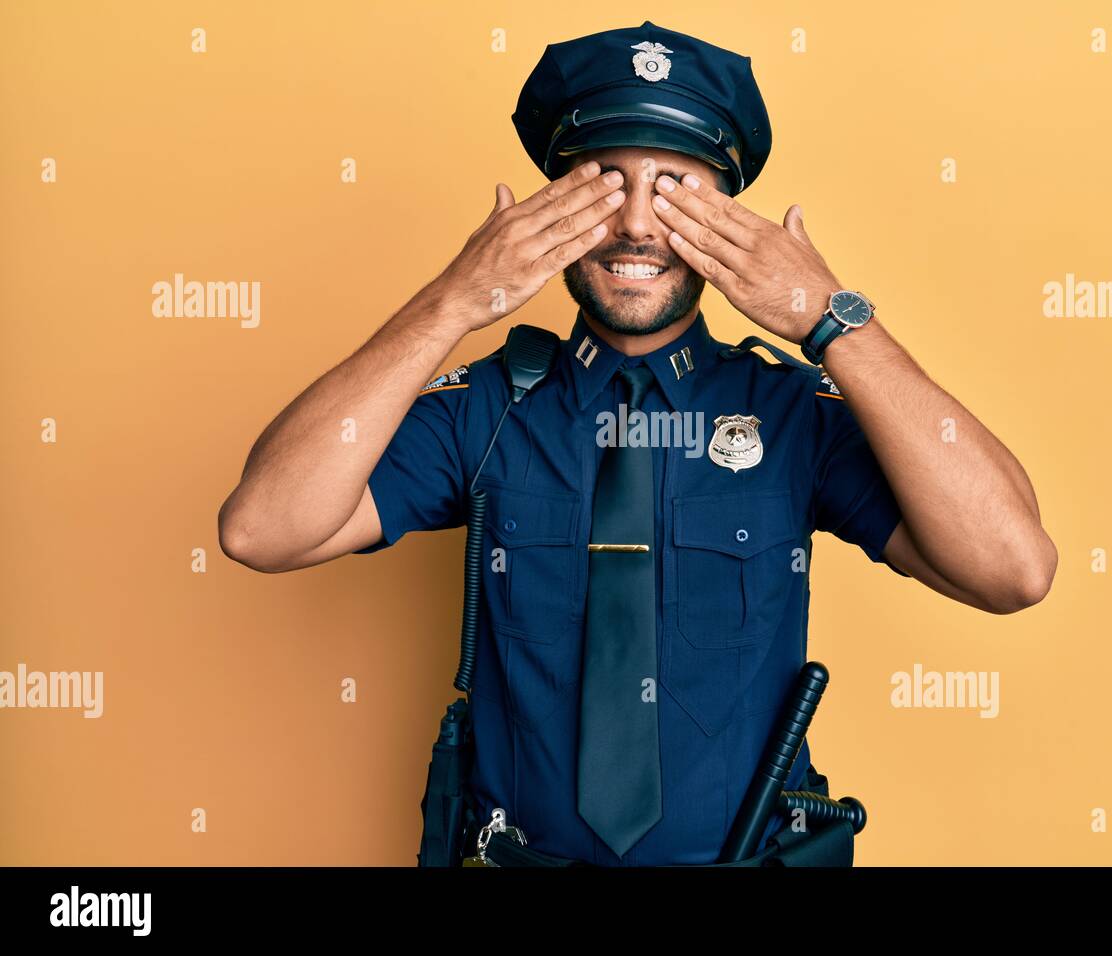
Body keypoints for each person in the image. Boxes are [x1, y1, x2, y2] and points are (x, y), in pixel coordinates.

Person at [217, 21, 1057, 866]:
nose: (635, 222)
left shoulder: (792, 414)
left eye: (675, 187)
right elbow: (263, 529)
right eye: (601, 183)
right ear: (553, 207)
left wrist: (832, 319)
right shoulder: (487, 409)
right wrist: (451, 302)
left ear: (726, 213)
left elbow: (1012, 569)